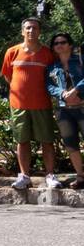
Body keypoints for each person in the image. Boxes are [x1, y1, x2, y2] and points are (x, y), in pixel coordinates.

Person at [0, 18, 58, 191]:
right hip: (19, 105)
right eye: (28, 28)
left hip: (42, 104)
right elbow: (7, 76)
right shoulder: (12, 52)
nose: (31, 30)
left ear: (39, 31)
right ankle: (25, 176)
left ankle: (50, 176)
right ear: (22, 31)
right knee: (22, 141)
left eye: (34, 28)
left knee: (47, 141)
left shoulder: (48, 54)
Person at [47, 33, 84, 189]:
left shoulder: (80, 60)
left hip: (82, 107)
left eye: (63, 42)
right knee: (70, 144)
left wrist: (76, 90)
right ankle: (81, 177)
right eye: (56, 43)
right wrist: (62, 94)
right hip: (64, 110)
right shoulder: (52, 67)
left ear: (70, 44)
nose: (59, 45)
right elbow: (48, 86)